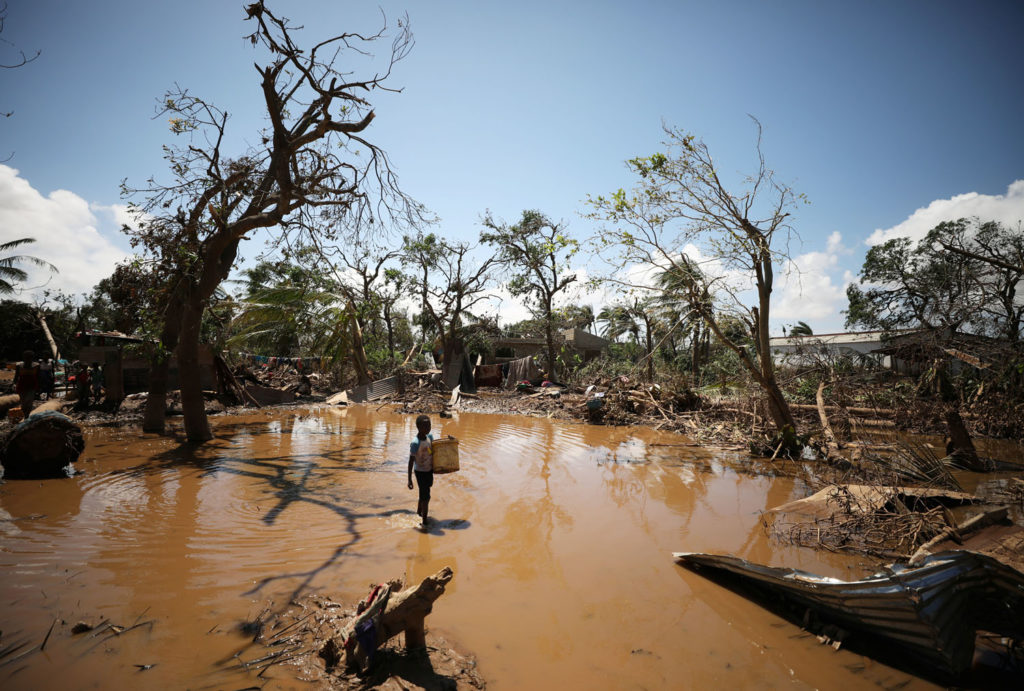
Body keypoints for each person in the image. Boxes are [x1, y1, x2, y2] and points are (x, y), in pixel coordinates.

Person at [407, 414, 435, 528]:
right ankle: (424, 522)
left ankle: (419, 511)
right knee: (426, 497)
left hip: (429, 470)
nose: (428, 428)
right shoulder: (415, 443)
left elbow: (435, 450)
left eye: (429, 425)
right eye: (425, 426)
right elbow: (410, 462)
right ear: (418, 427)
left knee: (425, 491)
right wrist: (409, 479)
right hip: (420, 472)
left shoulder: (430, 437)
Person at [14, 350, 39, 418]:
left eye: (29, 357)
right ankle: (25, 415)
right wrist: (14, 384)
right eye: (26, 357)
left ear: (32, 358)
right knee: (23, 402)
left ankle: (27, 415)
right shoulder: (19, 366)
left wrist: (39, 386)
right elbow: (16, 376)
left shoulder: (36, 366)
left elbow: (38, 376)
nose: (27, 359)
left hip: (32, 385)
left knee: (29, 401)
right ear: (24, 358)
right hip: (22, 385)